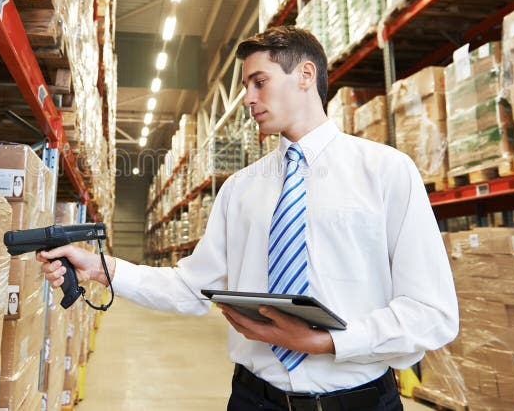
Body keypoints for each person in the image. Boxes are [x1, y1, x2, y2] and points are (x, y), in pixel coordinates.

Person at [38, 26, 459, 410]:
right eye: (245, 87)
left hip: (360, 402)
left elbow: (432, 312)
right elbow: (191, 287)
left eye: (260, 82)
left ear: (306, 75)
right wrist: (102, 268)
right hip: (255, 400)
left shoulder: (386, 171)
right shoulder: (239, 190)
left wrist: (327, 341)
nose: (249, 99)